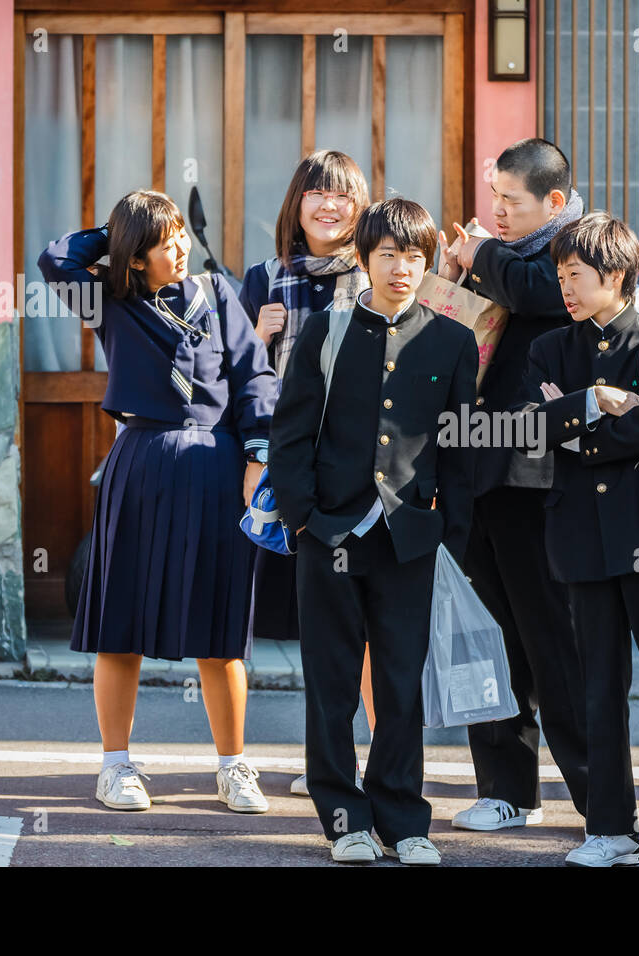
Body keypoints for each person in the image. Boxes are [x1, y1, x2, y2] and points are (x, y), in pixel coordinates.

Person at [38, 189, 276, 815]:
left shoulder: (218, 294)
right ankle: (115, 766)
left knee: (221, 628)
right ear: (134, 256)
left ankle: (233, 766)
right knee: (122, 622)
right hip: (140, 459)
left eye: (180, 235)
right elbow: (54, 259)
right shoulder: (110, 302)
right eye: (163, 241)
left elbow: (253, 375)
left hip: (218, 462)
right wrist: (118, 232)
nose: (180, 247)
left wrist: (257, 456)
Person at [268, 198, 478, 865]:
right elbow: (291, 435)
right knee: (331, 686)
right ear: (362, 260)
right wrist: (305, 521)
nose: (402, 267)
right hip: (329, 534)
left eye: (415, 255)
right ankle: (343, 820)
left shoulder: (452, 339)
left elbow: (462, 446)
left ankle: (404, 819)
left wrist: (450, 530)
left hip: (409, 538)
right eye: (387, 254)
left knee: (399, 685)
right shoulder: (325, 333)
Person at [509, 211, 639, 867]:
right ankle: (611, 824)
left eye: (575, 275)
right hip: (578, 536)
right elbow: (526, 430)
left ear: (618, 275)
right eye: (561, 275)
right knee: (595, 683)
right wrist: (599, 401)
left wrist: (576, 420)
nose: (564, 288)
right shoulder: (549, 348)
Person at [436, 138, 590, 832]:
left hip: (538, 479)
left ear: (553, 203)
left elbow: (537, 295)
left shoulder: (579, 249)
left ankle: (599, 801)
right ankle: (504, 788)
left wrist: (479, 257)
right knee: (487, 640)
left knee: (551, 640)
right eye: (492, 198)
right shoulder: (494, 259)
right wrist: (452, 273)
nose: (496, 212)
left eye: (511, 201)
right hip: (475, 472)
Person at [238, 149, 375, 796]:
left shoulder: (380, 275)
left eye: (343, 194)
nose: (329, 205)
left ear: (362, 206)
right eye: (316, 193)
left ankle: (382, 757)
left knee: (369, 626)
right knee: (320, 626)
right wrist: (259, 339)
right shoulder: (265, 279)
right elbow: (236, 383)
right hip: (296, 474)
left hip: (364, 474)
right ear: (296, 203)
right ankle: (332, 759)